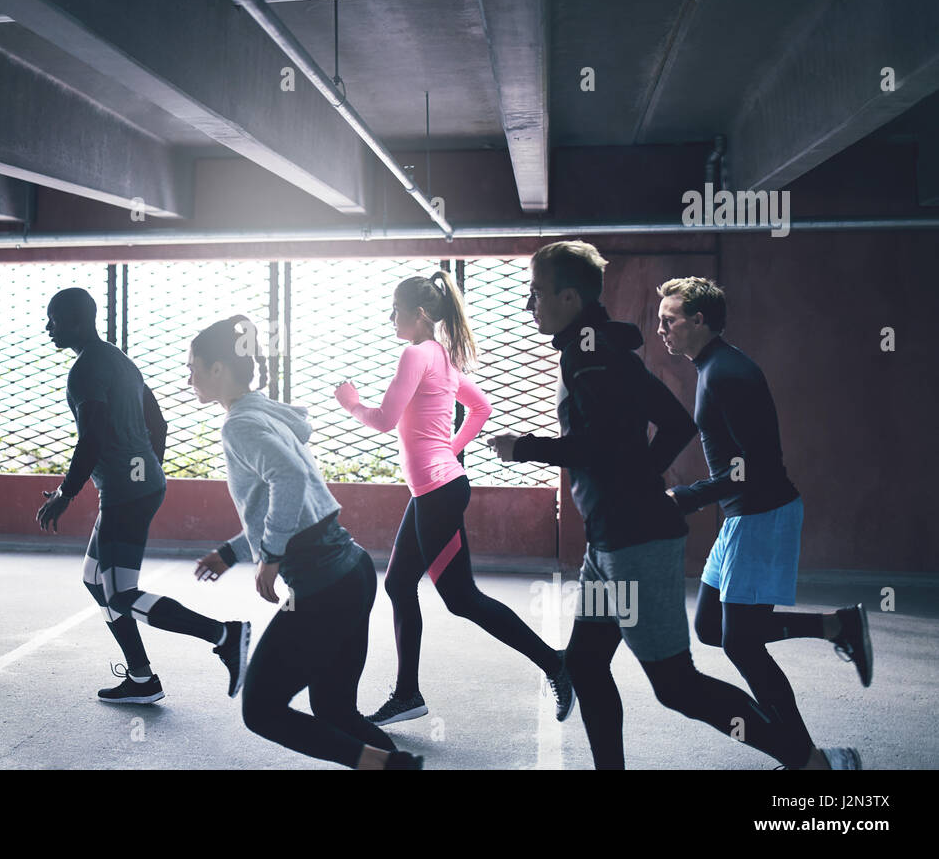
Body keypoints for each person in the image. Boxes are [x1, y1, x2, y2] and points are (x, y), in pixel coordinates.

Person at [492, 241, 860, 769]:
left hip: (635, 543)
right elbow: (675, 424)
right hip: (607, 542)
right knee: (588, 665)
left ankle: (814, 764)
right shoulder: (608, 351)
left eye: (537, 294)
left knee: (675, 685)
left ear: (569, 298)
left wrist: (523, 448)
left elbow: (598, 446)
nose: (531, 306)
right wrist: (637, 477)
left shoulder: (588, 355)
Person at [334, 270, 572, 727]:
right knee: (412, 587)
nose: (390, 318)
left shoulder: (415, 354)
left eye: (396, 310)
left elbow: (384, 419)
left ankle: (554, 663)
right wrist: (450, 449)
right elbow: (481, 408)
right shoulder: (439, 356)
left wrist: (350, 402)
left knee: (451, 595)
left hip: (439, 491)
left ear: (419, 314)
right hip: (439, 487)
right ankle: (408, 694)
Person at [189, 315, 421, 769]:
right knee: (334, 711)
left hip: (323, 585)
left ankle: (390, 768)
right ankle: (396, 768)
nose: (189, 377)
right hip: (351, 571)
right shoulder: (264, 414)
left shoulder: (239, 425)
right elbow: (299, 507)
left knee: (261, 710)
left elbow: (290, 480)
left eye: (194, 366)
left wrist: (270, 558)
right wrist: (234, 552)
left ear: (218, 369)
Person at [657, 276, 869, 769]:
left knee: (742, 644)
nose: (661, 329)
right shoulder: (713, 367)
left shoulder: (728, 372)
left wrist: (685, 498)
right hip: (740, 516)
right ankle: (838, 625)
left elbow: (752, 467)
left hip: (761, 514)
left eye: (669, 320)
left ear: (699, 320)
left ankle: (810, 762)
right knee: (711, 626)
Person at [37, 288, 249, 703]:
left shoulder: (84, 370)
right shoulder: (119, 361)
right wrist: (147, 469)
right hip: (134, 486)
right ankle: (141, 679)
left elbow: (91, 438)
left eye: (54, 320)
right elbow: (159, 422)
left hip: (125, 493)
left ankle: (225, 635)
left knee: (120, 592)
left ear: (77, 321)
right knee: (95, 581)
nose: (49, 328)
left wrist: (66, 493)